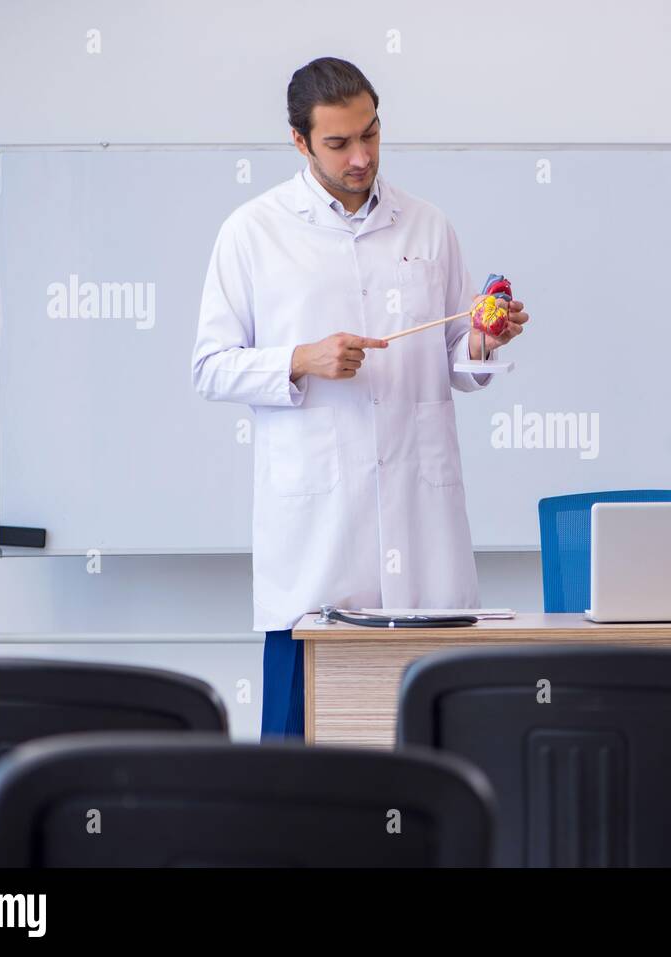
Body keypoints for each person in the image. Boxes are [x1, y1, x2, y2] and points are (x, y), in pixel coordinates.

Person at [192, 57, 529, 738]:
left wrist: (488, 338)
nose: (360, 157)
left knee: (436, 754)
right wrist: (300, 359)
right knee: (297, 767)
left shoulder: (427, 225)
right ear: (299, 141)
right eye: (339, 143)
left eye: (370, 134)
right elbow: (210, 366)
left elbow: (457, 354)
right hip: (315, 550)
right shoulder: (253, 232)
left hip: (423, 531)